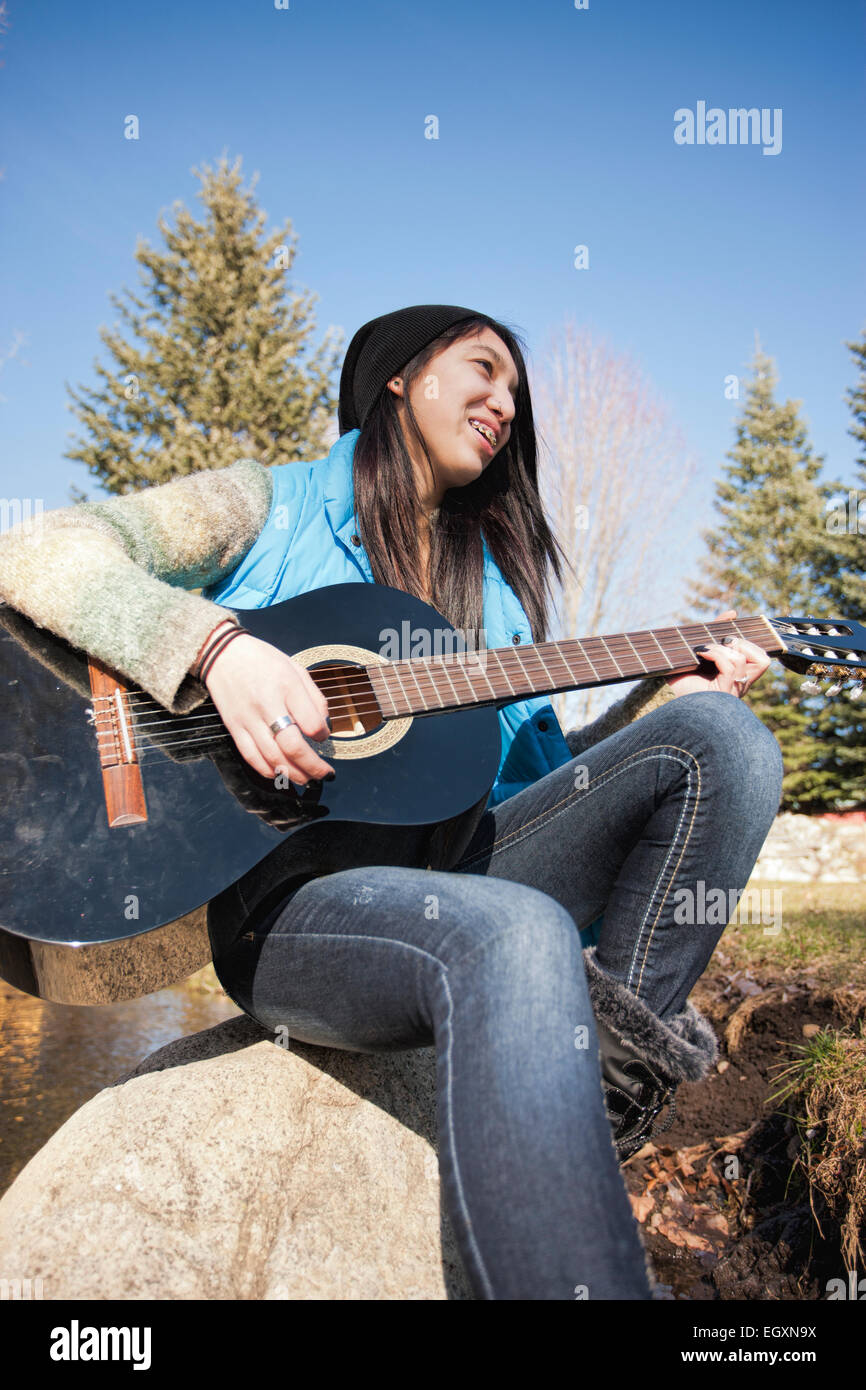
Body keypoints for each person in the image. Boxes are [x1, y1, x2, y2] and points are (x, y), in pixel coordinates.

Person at [0, 303, 783, 1300]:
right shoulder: (266, 504)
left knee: (725, 744)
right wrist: (215, 650)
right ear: (399, 377)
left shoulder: (490, 595)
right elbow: (39, 551)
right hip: (293, 907)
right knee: (510, 931)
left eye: (515, 390)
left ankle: (587, 1099)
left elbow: (523, 791)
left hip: (462, 863)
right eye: (483, 368)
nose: (505, 400)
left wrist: (658, 702)